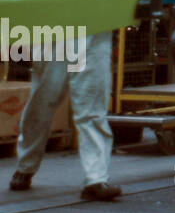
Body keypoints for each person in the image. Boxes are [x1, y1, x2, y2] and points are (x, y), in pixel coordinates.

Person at [9, 31, 121, 201]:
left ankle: (96, 179)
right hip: (56, 31)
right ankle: (26, 166)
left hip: (95, 32)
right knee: (40, 106)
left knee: (92, 110)